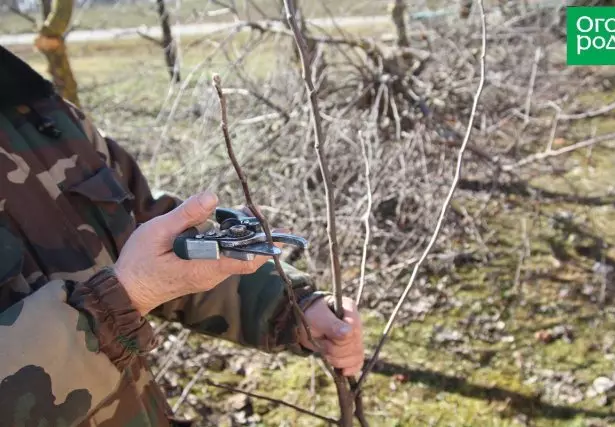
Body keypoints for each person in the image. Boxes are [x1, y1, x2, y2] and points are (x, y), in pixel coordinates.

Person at [0, 45, 364, 426]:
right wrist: (118, 302)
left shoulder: (31, 107)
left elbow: (142, 231)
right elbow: (133, 280)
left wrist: (292, 306)